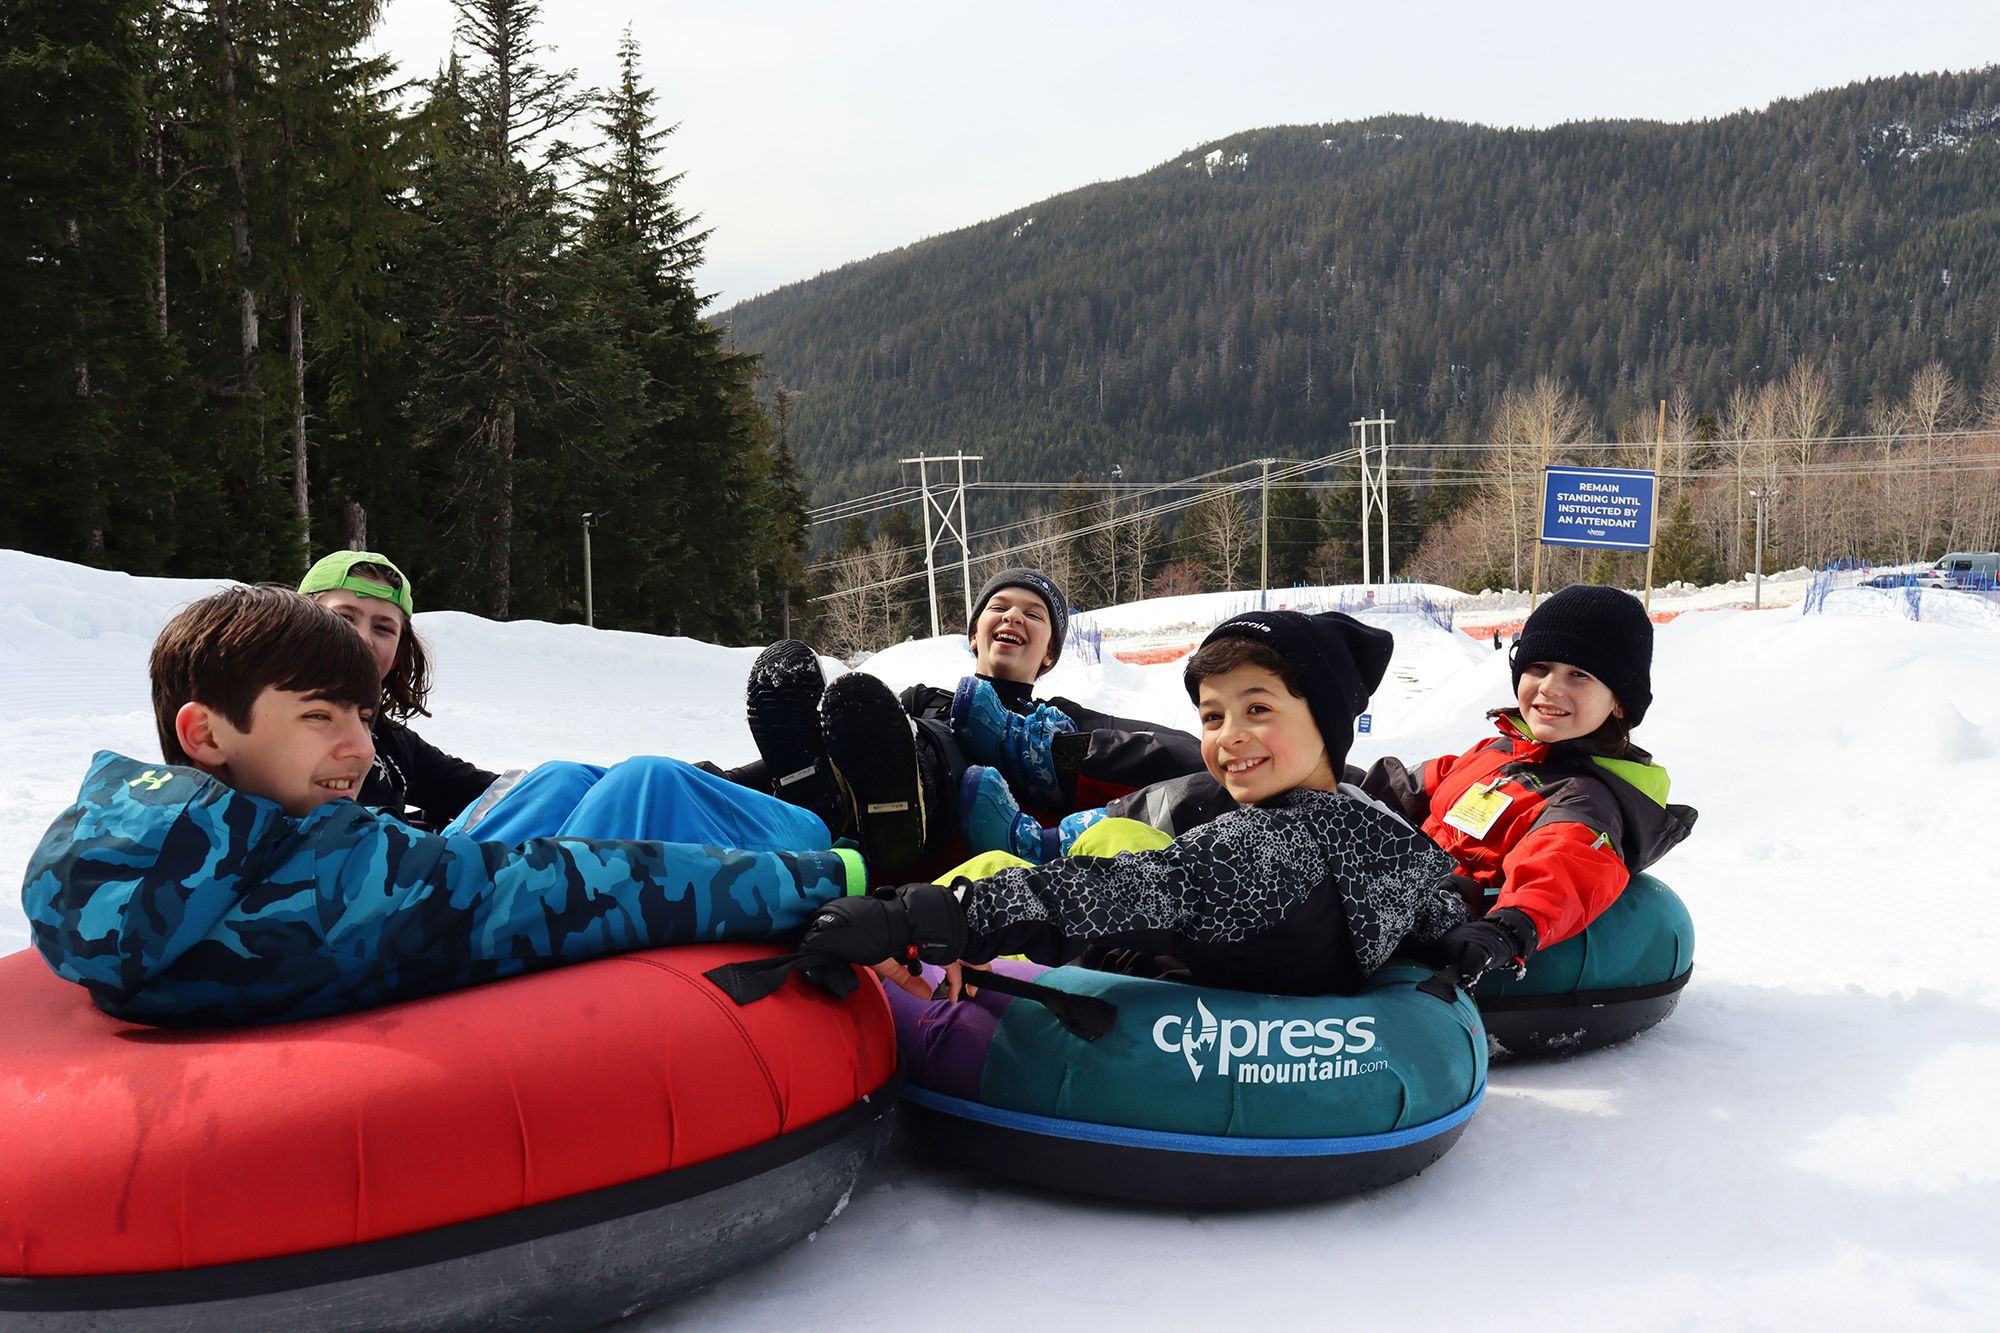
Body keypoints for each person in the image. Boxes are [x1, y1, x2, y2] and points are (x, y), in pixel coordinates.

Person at [20, 586, 865, 1027]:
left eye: (361, 713)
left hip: (413, 866)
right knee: (648, 788)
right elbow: (577, 886)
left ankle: (782, 788)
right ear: (206, 732)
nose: (358, 746)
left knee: (571, 780)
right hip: (443, 907)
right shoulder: (327, 890)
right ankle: (830, 816)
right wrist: (836, 881)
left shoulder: (126, 839)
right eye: (321, 716)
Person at [959, 585, 1697, 981]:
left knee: (1212, 790)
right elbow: (1413, 785)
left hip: (1414, 901)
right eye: (1538, 667)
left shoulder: (1589, 799)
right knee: (1210, 764)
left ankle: (1042, 846)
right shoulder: (1499, 754)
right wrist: (1329, 776)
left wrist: (1505, 931)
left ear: (1621, 700)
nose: (1548, 690)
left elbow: (1563, 869)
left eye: (1579, 676)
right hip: (1381, 853)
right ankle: (1048, 829)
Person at [793, 610, 1471, 998]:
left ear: (1324, 721)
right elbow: (1434, 904)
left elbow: (1099, 896)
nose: (1229, 736)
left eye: (1256, 709)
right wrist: (1463, 924)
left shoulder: (1267, 848)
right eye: (1211, 718)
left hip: (1171, 995)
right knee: (1117, 836)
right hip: (1225, 956)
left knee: (1012, 867)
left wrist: (918, 918)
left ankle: (859, 891)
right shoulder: (1366, 828)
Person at [739, 568, 1207, 873]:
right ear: (973, 636)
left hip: (944, 852)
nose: (1014, 617)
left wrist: (1052, 754)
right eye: (999, 608)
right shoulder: (922, 701)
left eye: (1034, 614)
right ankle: (821, 798)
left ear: (1049, 655)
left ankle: (902, 800)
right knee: (879, 726)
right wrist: (724, 779)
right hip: (867, 836)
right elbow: (829, 744)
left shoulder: (1063, 720)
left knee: (927, 738)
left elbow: (1188, 754)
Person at [298, 550, 495, 828]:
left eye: (382, 628)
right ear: (298, 624)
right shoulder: (266, 725)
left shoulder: (390, 740)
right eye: (344, 618)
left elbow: (485, 792)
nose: (363, 638)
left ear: (399, 654)